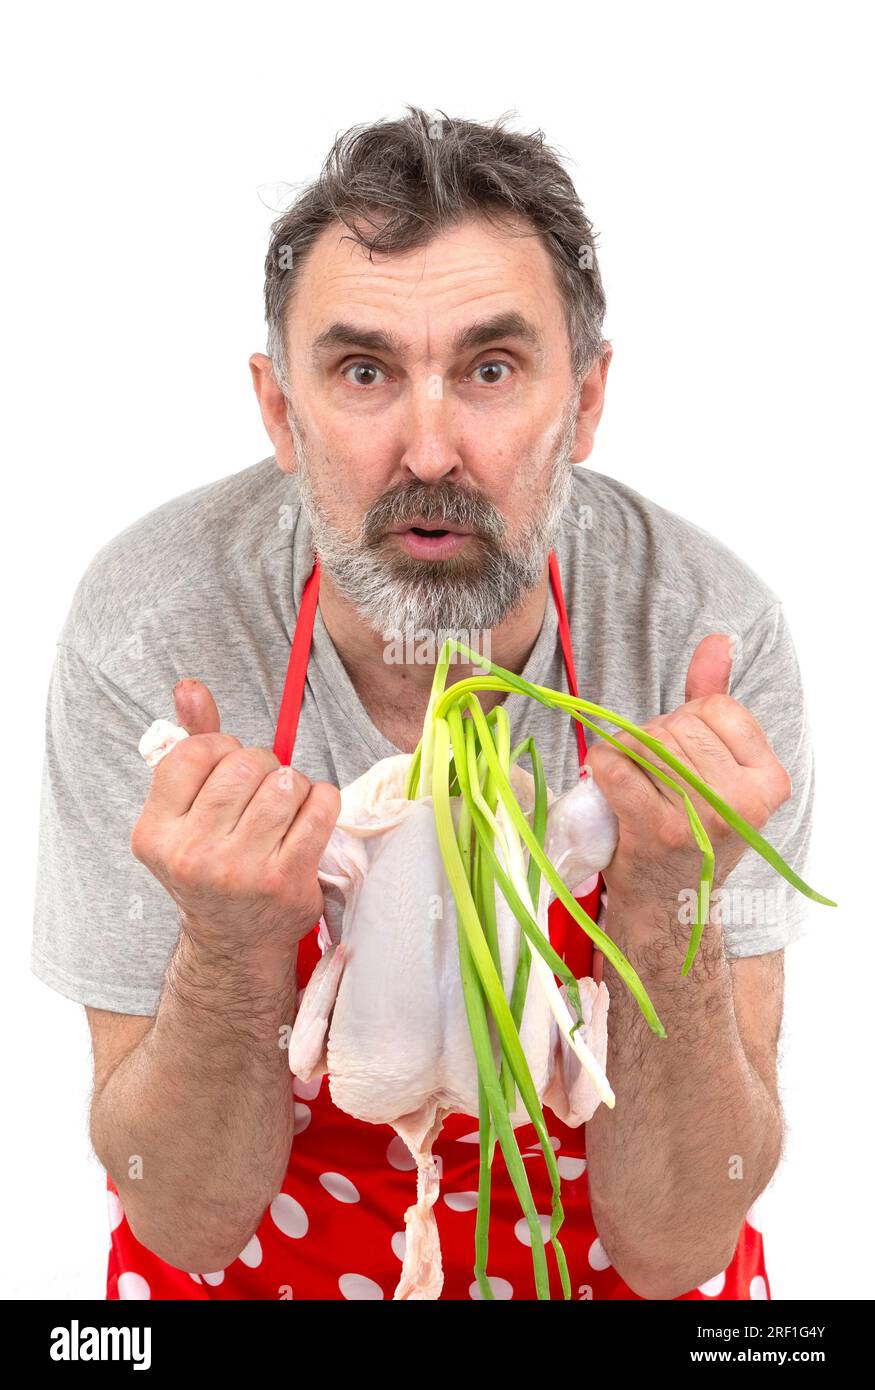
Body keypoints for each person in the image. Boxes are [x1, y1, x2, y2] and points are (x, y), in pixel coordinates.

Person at [32, 106, 813, 1301]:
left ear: (588, 398)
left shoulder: (703, 637)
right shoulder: (152, 628)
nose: (432, 450)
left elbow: (680, 1240)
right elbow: (179, 1214)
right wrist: (233, 951)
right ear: (279, 411)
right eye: (362, 372)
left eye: (491, 370)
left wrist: (670, 907)